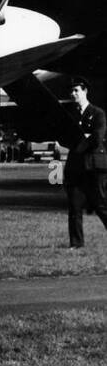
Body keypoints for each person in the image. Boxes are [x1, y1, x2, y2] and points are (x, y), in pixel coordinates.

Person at [64, 78, 107, 248]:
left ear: (85, 91)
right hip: (76, 167)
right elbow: (63, 138)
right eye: (71, 91)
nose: (73, 94)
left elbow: (97, 138)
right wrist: (85, 138)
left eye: (76, 90)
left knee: (101, 204)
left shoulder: (98, 113)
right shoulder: (70, 115)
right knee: (74, 207)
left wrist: (78, 142)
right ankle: (76, 244)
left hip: (94, 167)